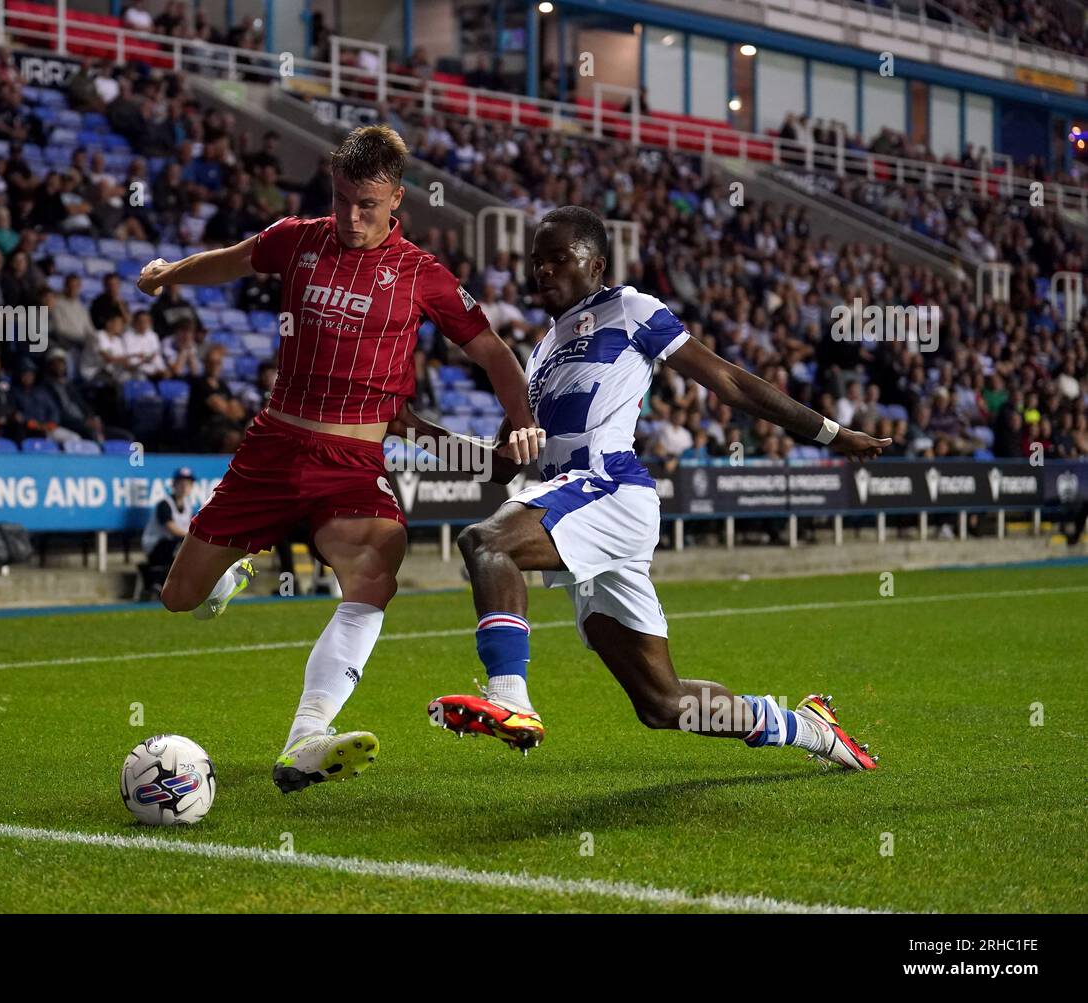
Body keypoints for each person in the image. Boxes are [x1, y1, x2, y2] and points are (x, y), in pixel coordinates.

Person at [136, 124, 541, 794]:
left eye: (368, 205)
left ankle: (305, 737)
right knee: (180, 598)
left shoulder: (421, 273)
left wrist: (521, 422)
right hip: (273, 447)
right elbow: (234, 259)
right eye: (344, 199)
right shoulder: (297, 238)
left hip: (353, 461)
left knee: (377, 567)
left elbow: (494, 352)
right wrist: (168, 275)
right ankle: (233, 570)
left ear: (396, 200)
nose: (352, 217)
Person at [423, 206, 885, 771]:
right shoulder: (540, 353)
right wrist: (411, 429)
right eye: (536, 262)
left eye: (557, 259)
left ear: (595, 264)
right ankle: (810, 729)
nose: (542, 272)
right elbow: (499, 467)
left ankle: (510, 700)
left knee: (485, 542)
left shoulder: (630, 308)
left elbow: (729, 382)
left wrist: (830, 433)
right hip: (579, 503)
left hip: (609, 486)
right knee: (663, 703)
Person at [141, 467, 198, 595]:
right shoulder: (165, 504)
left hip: (173, 544)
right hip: (156, 546)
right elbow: (171, 528)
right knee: (178, 543)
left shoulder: (188, 506)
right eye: (181, 483)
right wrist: (190, 537)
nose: (184, 487)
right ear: (174, 484)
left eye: (188, 484)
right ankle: (157, 583)